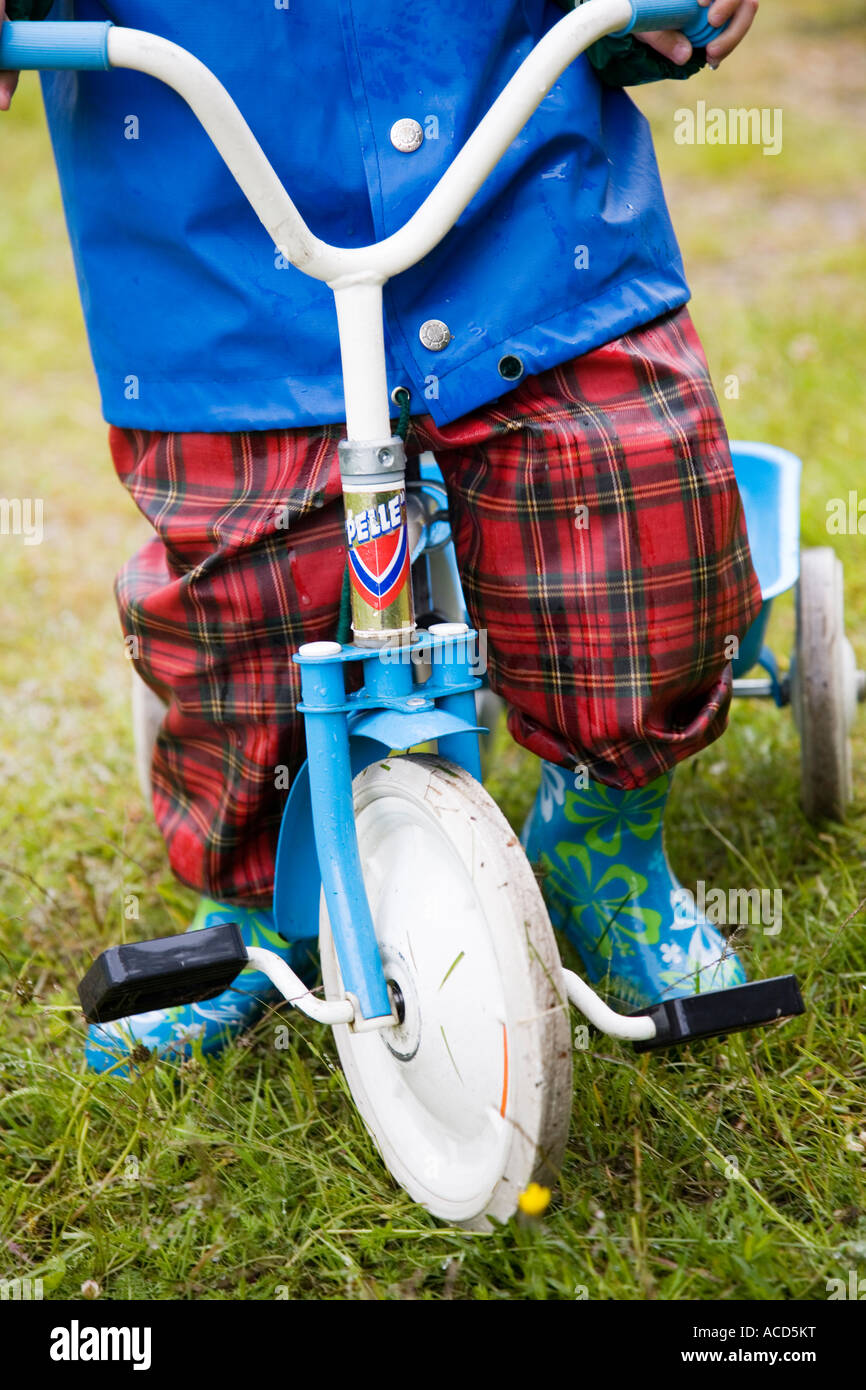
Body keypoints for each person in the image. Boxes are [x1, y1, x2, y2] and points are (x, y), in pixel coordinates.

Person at [0, 0, 761, 1068]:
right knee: (247, 607)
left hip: (523, 201)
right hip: (217, 237)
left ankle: (603, 843)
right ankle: (273, 903)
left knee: (637, 498)